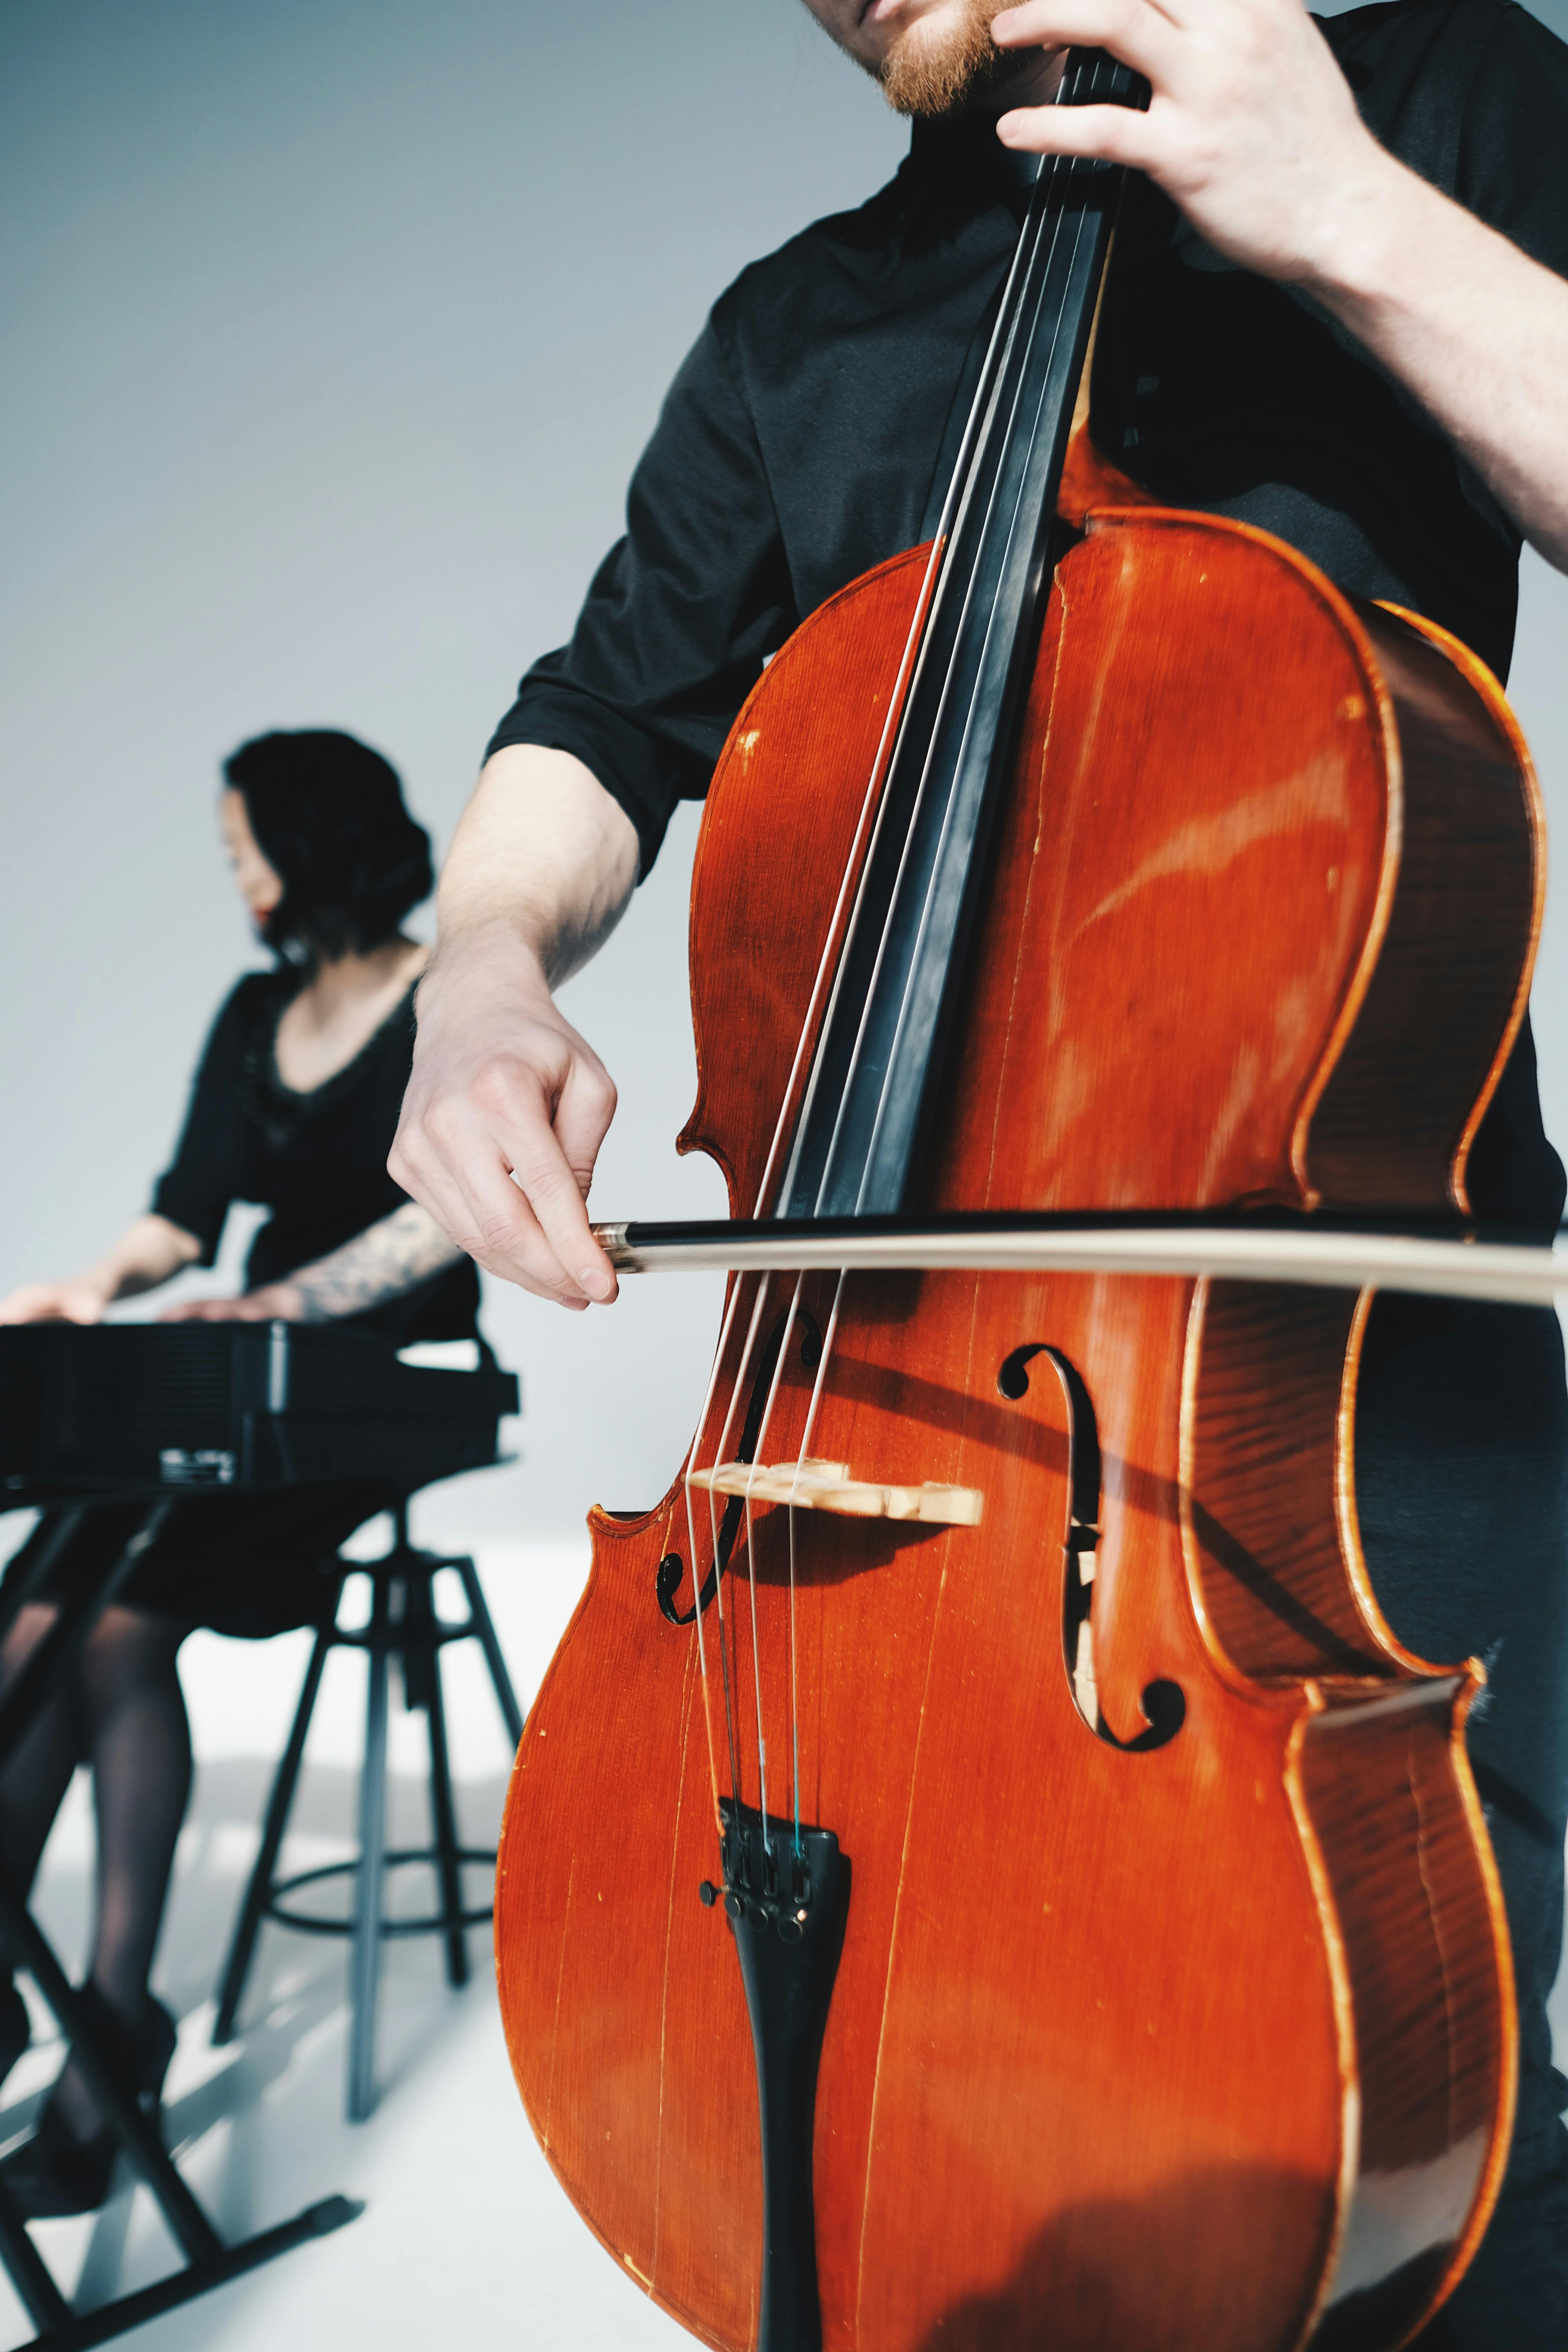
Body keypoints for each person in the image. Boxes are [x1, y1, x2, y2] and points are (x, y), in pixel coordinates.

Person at [390, 0, 1568, 2339]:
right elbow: (604, 711)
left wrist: (1340, 210)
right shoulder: (801, 321)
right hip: (879, 1429)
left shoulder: (1434, 87)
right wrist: (484, 967)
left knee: (1435, 2197)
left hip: (1351, 1417)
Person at [0, 727, 470, 2215]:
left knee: (127, 1619)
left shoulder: (448, 992)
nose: (238, 875)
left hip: (380, 1381)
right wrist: (87, 1286)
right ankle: (19, 1978)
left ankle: (113, 2033)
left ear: (313, 838)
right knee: (28, 1613)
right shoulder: (255, 1010)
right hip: (244, 1370)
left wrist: (282, 1303)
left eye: (245, 845)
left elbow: (446, 1225)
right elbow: (188, 1214)